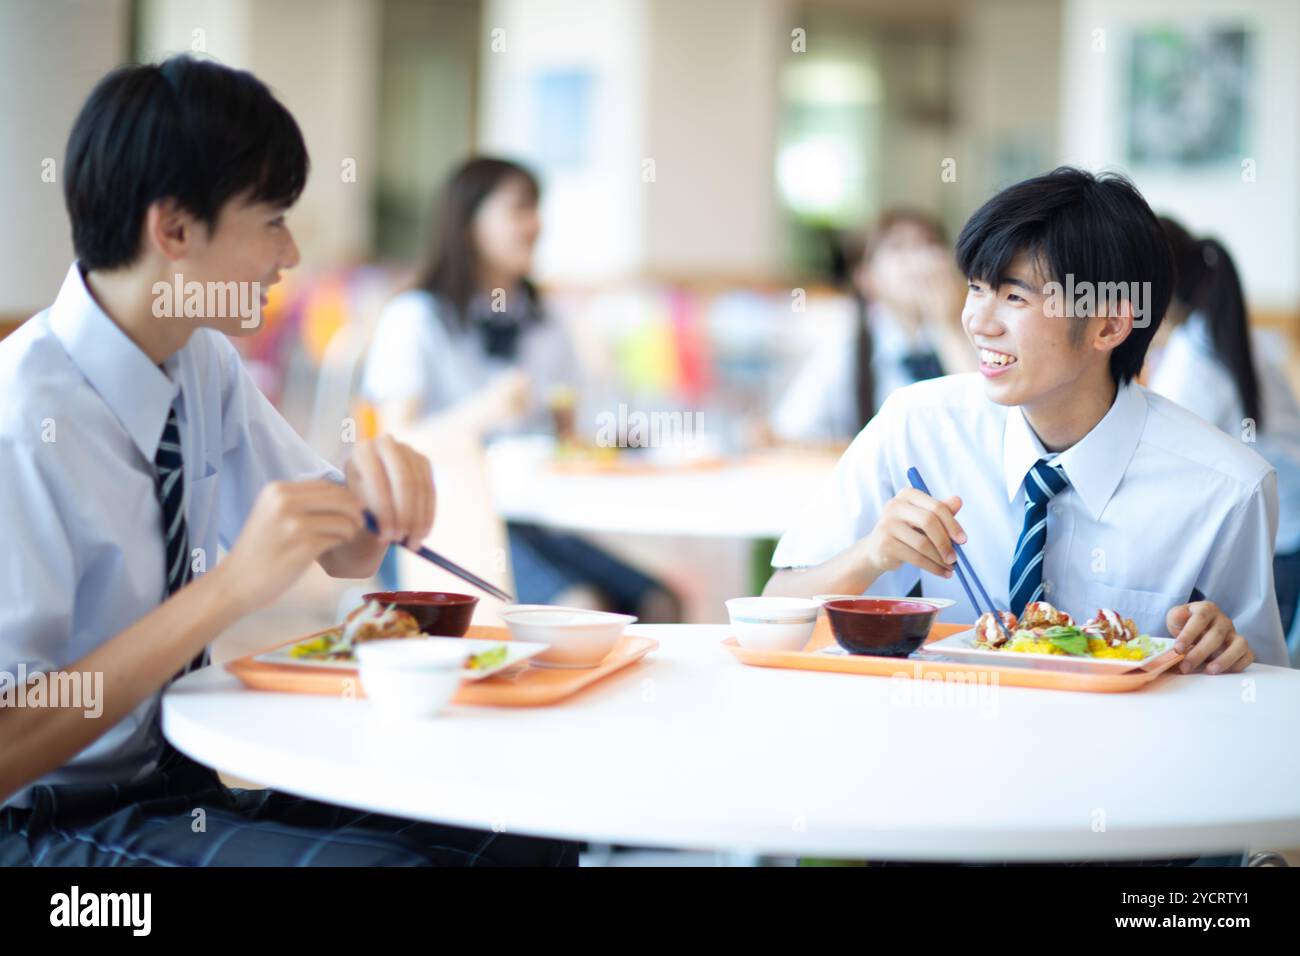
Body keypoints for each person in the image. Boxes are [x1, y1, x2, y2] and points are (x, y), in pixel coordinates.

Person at [0, 56, 574, 866]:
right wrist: (229, 588)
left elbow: (342, 549)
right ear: (173, 231)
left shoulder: (201, 364)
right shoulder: (22, 421)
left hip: (179, 789)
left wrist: (371, 494)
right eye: (271, 220)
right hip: (46, 829)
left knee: (521, 820)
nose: (291, 253)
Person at [765, 167, 1287, 678]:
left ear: (1109, 323)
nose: (978, 322)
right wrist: (870, 554)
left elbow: (1263, 692)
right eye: (975, 288)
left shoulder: (1227, 489)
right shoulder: (916, 426)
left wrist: (1226, 654)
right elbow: (775, 609)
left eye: (1014, 297)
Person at [360, 157, 680, 620]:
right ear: (470, 223)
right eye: (519, 210)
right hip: (434, 525)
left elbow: (568, 432)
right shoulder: (415, 318)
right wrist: (484, 411)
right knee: (581, 610)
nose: (536, 225)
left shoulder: (546, 319)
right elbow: (393, 442)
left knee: (660, 602)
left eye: (536, 209)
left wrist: (611, 437)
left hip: (532, 520)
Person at [1147, 217, 1300, 642]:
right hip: (1288, 525)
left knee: (1260, 668)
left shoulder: (1190, 364)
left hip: (1277, 536)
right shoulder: (1221, 335)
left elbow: (1167, 469)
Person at [772, 210, 972, 444]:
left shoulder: (976, 330)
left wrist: (947, 326)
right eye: (898, 248)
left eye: (929, 244)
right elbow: (792, 428)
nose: (919, 259)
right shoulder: (845, 342)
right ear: (866, 279)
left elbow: (987, 419)